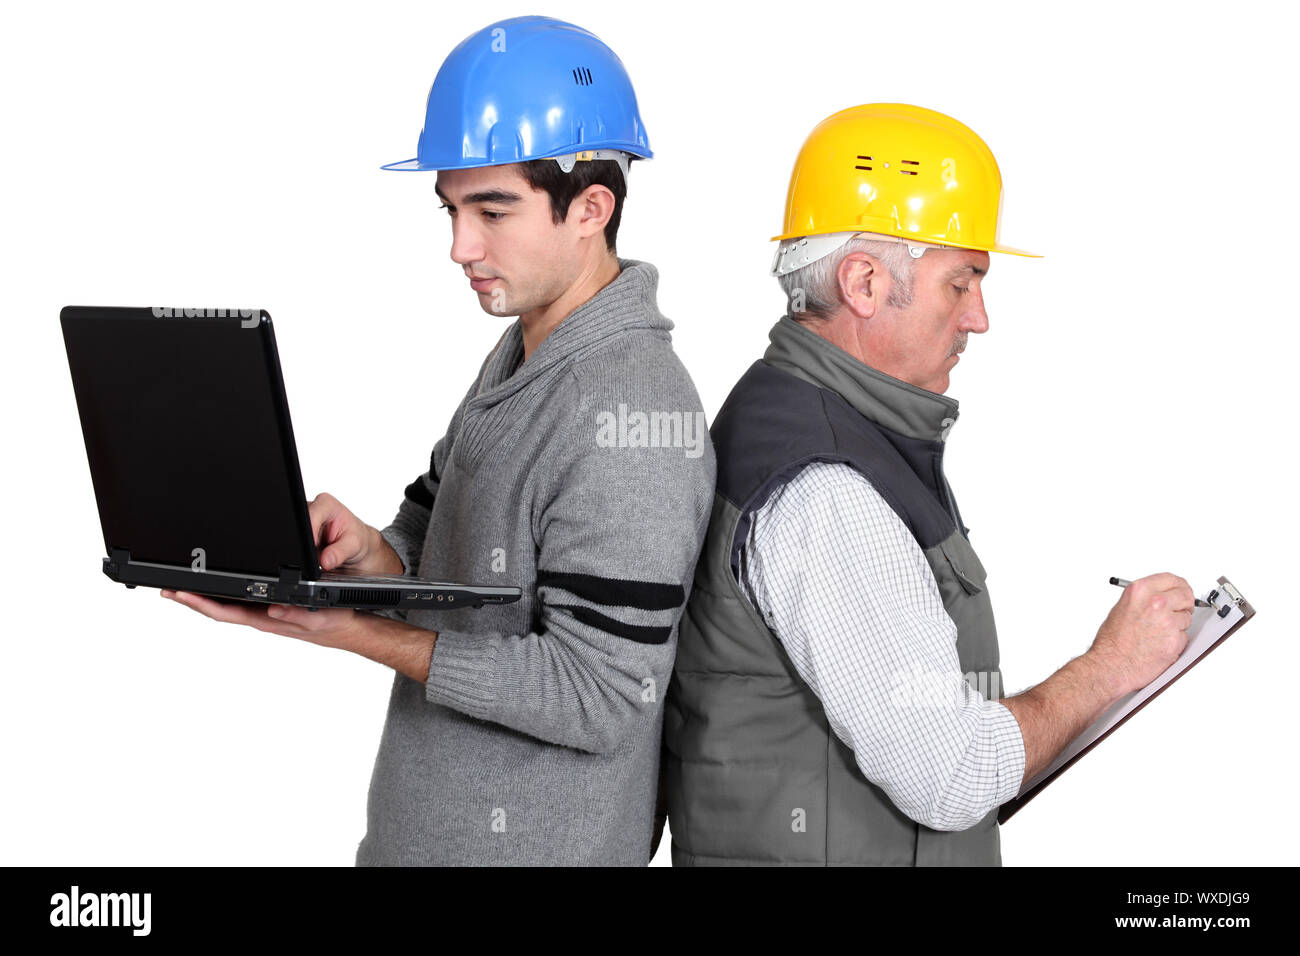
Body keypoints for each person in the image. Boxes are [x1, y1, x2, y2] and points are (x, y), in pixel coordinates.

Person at [165, 15, 715, 865]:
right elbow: (459, 570)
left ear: (591, 208)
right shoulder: (529, 350)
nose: (461, 246)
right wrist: (372, 561)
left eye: (493, 210)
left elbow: (602, 696)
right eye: (452, 209)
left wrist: (359, 635)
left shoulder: (631, 414)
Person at [660, 103, 1193, 866]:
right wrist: (1109, 667)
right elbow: (952, 775)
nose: (981, 318)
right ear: (866, 281)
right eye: (961, 282)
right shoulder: (827, 488)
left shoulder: (820, 420)